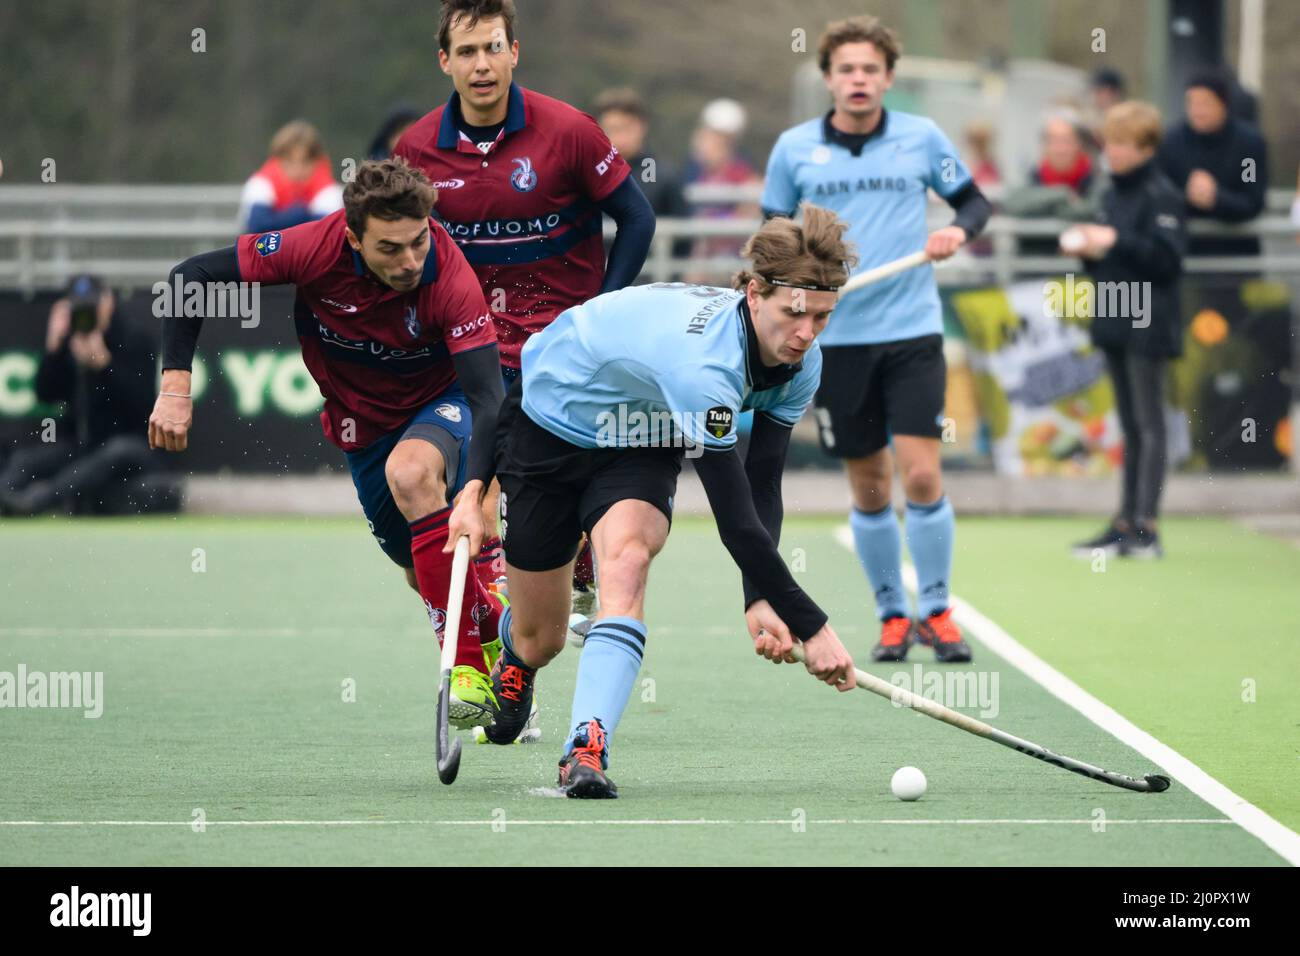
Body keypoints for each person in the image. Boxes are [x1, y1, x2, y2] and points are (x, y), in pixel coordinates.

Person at [444, 208, 859, 797]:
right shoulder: (704, 369)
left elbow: (762, 481)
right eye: (795, 313)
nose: (806, 333)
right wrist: (812, 626)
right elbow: (735, 524)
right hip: (550, 426)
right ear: (754, 293)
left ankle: (585, 748)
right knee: (545, 636)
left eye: (822, 317)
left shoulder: (801, 363)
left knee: (627, 562)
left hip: (641, 437)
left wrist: (761, 597)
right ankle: (517, 655)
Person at [150, 158, 510, 730]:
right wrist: (174, 384)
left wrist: (474, 490)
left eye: (418, 242)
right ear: (351, 237)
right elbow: (189, 277)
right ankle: (504, 637)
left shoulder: (450, 277)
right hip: (360, 425)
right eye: (390, 249)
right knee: (421, 570)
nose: (411, 261)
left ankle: (467, 674)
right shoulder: (311, 248)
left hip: (445, 404)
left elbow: (490, 397)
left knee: (413, 474)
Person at [394, 0, 656, 601]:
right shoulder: (414, 149)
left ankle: (573, 559)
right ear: (445, 62)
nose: (481, 64)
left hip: (561, 349)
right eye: (466, 52)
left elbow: (637, 219)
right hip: (469, 347)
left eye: (492, 48)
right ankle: (501, 651)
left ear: (515, 52)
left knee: (536, 493)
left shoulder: (568, 131)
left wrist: (601, 309)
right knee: (474, 495)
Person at [761, 16, 992, 665]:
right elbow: (771, 234)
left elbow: (974, 204)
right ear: (829, 77)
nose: (858, 80)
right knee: (869, 484)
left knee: (921, 472)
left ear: (887, 77)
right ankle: (893, 616)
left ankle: (939, 610)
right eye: (847, 69)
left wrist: (957, 234)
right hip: (835, 340)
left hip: (912, 331)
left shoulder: (920, 138)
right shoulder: (795, 148)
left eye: (870, 69)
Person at [1067, 102, 1186, 559]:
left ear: (1146, 147)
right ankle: (1124, 521)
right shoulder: (1111, 192)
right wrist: (1086, 249)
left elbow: (1167, 259)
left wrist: (1114, 241)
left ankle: (1147, 527)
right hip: (1115, 315)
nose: (1112, 152)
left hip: (1149, 320)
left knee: (1149, 423)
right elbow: (1107, 259)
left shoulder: (1162, 193)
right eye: (1110, 142)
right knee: (1130, 425)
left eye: (1122, 143)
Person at [0, 275, 174, 517]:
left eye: (92, 305)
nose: (86, 313)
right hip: (84, 444)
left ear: (109, 302)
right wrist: (53, 348)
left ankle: (39, 501)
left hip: (134, 446)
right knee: (25, 460)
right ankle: (6, 497)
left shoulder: (135, 340)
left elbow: (144, 408)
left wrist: (104, 366)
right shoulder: (69, 343)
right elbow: (45, 395)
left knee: (116, 450)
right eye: (79, 306)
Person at [1157, 69, 1268, 260]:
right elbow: (1160, 198)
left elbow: (1252, 201)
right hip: (1184, 255)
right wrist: (1188, 197)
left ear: (1223, 104)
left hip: (1235, 256)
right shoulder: (1170, 142)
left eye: (1206, 103)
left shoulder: (1248, 146)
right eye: (1192, 103)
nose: (1198, 111)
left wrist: (1216, 198)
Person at [237, 120, 344, 233]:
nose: (297, 169)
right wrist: (300, 216)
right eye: (289, 161)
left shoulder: (329, 190)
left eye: (305, 162)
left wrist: (282, 219)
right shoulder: (261, 183)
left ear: (317, 161)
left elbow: (324, 234)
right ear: (278, 159)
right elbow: (257, 227)